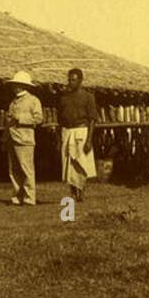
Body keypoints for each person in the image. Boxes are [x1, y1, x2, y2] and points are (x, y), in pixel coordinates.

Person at [2, 70, 44, 206]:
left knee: (26, 169)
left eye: (18, 84)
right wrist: (5, 138)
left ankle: (29, 197)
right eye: (14, 84)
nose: (15, 87)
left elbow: (39, 119)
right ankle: (17, 196)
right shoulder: (12, 102)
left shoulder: (33, 100)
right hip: (12, 138)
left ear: (24, 86)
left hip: (25, 139)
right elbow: (8, 123)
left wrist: (20, 118)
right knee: (13, 170)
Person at [58, 68, 97, 201]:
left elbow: (92, 119)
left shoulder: (88, 97)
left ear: (80, 81)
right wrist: (60, 138)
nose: (70, 82)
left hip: (81, 131)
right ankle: (73, 192)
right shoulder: (63, 98)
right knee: (69, 164)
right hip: (67, 131)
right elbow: (60, 119)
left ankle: (81, 191)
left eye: (73, 80)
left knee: (81, 163)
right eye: (69, 80)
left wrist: (89, 140)